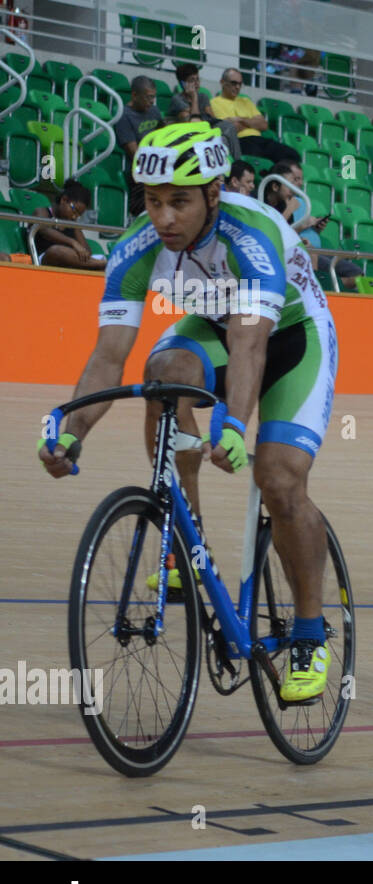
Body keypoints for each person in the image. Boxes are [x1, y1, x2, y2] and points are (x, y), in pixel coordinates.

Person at [37, 122, 339, 701]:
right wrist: (71, 433)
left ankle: (308, 631)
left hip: (294, 337)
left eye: (179, 201)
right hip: (218, 324)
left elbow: (253, 346)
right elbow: (108, 357)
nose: (164, 218)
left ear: (213, 195)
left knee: (277, 477)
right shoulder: (136, 246)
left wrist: (230, 424)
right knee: (164, 372)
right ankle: (185, 542)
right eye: (153, 202)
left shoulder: (248, 235)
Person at [265, 159, 361, 291]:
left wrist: (314, 229)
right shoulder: (265, 203)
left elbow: (288, 232)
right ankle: (327, 286)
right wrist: (291, 211)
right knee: (324, 268)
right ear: (275, 186)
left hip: (311, 248)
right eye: (292, 182)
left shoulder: (287, 202)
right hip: (295, 253)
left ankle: (327, 285)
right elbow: (274, 233)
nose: (296, 186)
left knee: (357, 273)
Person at [209, 68, 300, 164]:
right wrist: (251, 122)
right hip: (240, 141)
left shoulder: (246, 101)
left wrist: (241, 120)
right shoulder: (213, 103)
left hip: (259, 140)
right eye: (234, 83)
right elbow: (231, 128)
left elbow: (263, 125)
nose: (237, 87)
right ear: (222, 82)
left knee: (292, 155)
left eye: (240, 84)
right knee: (255, 159)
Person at [165, 62, 241, 160]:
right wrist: (194, 97)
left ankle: (235, 167)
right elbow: (194, 125)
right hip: (186, 137)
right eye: (192, 80)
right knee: (223, 133)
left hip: (205, 133)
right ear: (183, 83)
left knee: (226, 132)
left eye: (197, 79)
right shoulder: (177, 99)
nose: (196, 83)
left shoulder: (203, 97)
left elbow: (212, 119)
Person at [29, 181, 105, 270]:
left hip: (66, 264)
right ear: (64, 200)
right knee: (56, 251)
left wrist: (76, 228)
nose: (75, 216)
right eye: (74, 210)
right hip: (43, 260)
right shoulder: (42, 212)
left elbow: (86, 252)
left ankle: (101, 265)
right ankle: (102, 264)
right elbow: (45, 230)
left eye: (79, 215)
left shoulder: (72, 222)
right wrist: (73, 242)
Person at [115, 76, 163, 216]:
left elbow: (163, 136)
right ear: (134, 95)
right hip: (139, 172)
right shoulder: (124, 116)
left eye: (153, 97)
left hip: (158, 166)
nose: (152, 101)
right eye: (148, 97)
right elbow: (135, 154)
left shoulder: (154, 111)